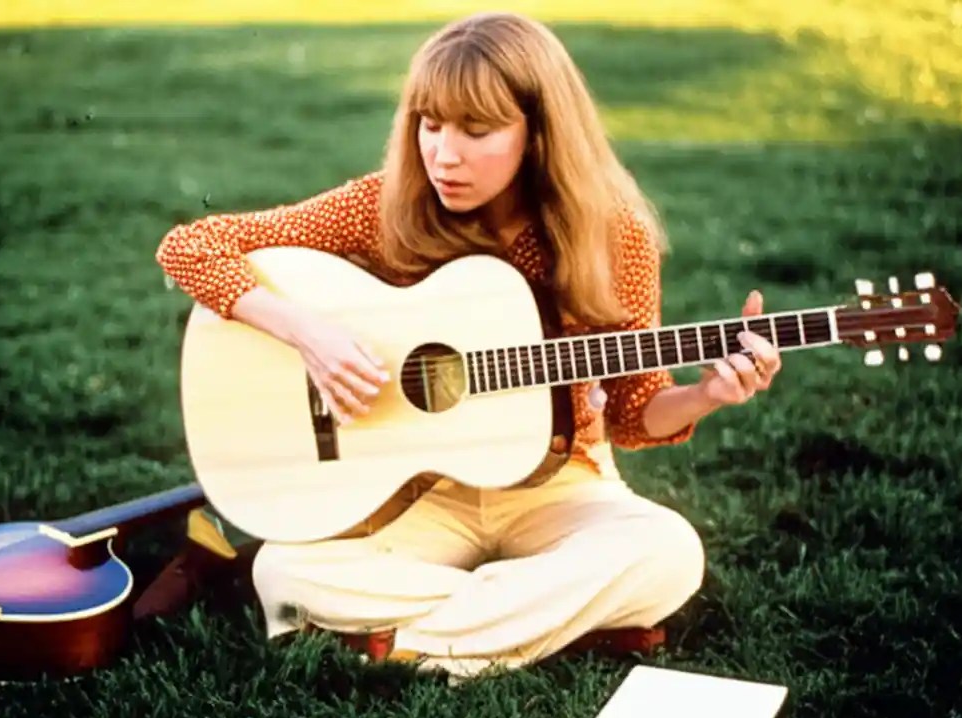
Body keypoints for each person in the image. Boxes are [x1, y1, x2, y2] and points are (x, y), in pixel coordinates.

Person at [148, 11, 782, 679]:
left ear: (539, 135)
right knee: (285, 571)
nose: (444, 154)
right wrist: (312, 336)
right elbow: (191, 247)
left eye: (476, 130)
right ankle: (538, 626)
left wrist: (707, 395)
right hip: (418, 495)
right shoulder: (384, 206)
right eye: (430, 123)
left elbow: (634, 411)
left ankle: (409, 642)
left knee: (669, 552)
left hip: (560, 487)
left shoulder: (611, 234)